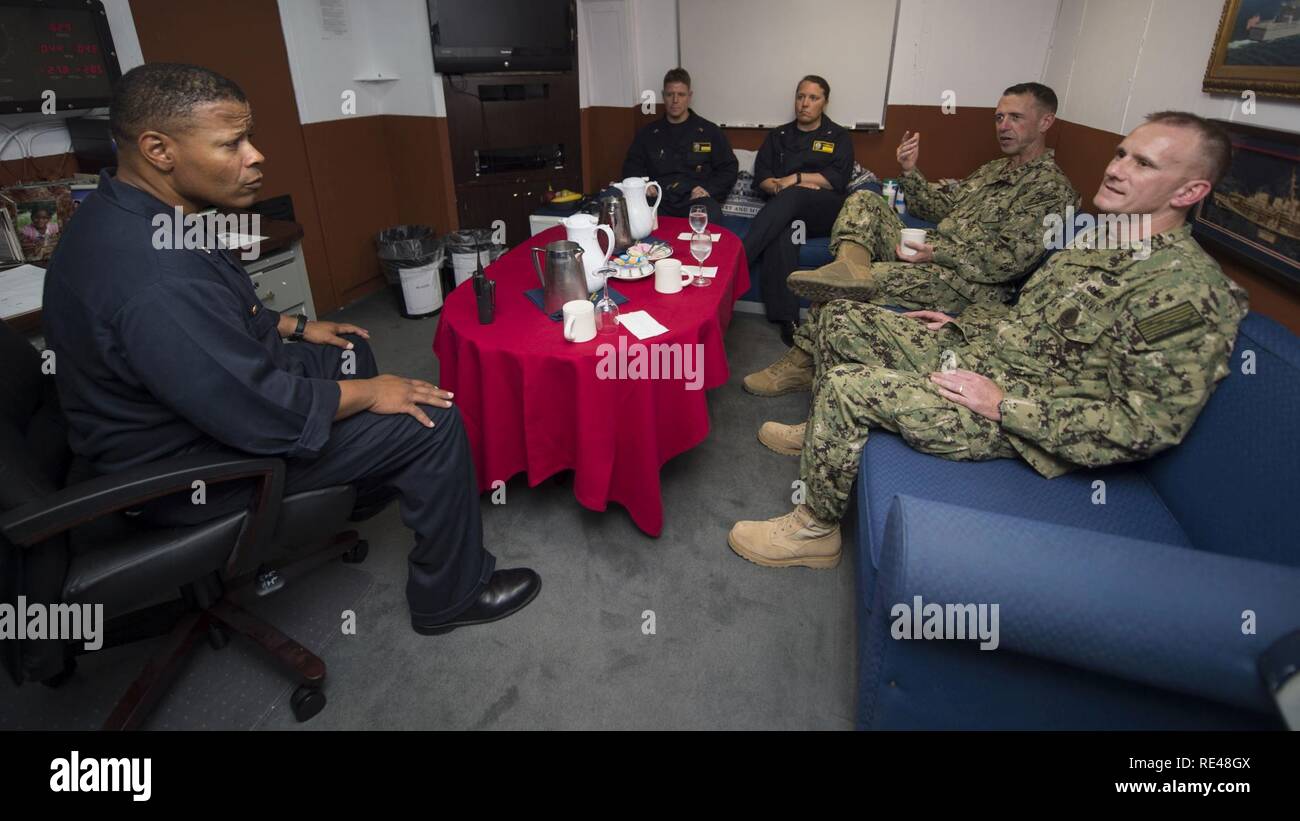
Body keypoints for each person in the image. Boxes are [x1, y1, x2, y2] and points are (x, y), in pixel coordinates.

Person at [42, 63, 540, 634]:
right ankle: (452, 594)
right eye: (232, 144)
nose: (255, 156)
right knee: (429, 419)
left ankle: (346, 491)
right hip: (189, 470)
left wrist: (297, 329)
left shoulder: (138, 212)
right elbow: (259, 409)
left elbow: (221, 312)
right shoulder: (156, 279)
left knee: (347, 348)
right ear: (158, 148)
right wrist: (372, 394)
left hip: (183, 413)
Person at [727, 111, 1249, 569]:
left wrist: (1006, 407)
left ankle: (814, 531)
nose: (1116, 168)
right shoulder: (1102, 238)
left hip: (1026, 416)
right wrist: (961, 324)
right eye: (1121, 153)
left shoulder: (1185, 292)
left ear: (1189, 192)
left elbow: (1142, 427)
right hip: (987, 354)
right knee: (843, 316)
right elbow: (1032, 321)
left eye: (1144, 164)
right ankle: (825, 430)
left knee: (847, 385)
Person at [744, 82, 1078, 397]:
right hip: (936, 253)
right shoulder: (994, 170)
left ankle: (802, 363)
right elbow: (938, 207)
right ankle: (849, 267)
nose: (1003, 126)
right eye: (999, 117)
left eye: (1015, 117)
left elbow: (1008, 260)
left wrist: (937, 253)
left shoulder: (1049, 189)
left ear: (1046, 121)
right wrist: (910, 171)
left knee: (842, 290)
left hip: (969, 282)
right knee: (863, 201)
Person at [743, 75, 854, 346]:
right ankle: (787, 319)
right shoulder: (778, 136)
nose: (804, 103)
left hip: (824, 212)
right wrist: (782, 187)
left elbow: (836, 180)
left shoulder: (838, 136)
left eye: (813, 98)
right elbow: (763, 179)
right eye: (800, 96)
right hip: (788, 212)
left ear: (824, 102)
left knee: (793, 196)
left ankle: (738, 260)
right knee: (784, 230)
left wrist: (796, 180)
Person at [622, 67, 737, 226]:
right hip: (658, 202)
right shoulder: (648, 134)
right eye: (670, 94)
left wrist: (708, 189)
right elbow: (631, 165)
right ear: (663, 96)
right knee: (629, 213)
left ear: (689, 96)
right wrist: (642, 185)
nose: (675, 100)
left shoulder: (709, 132)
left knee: (712, 213)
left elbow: (729, 168)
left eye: (681, 94)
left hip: (693, 201)